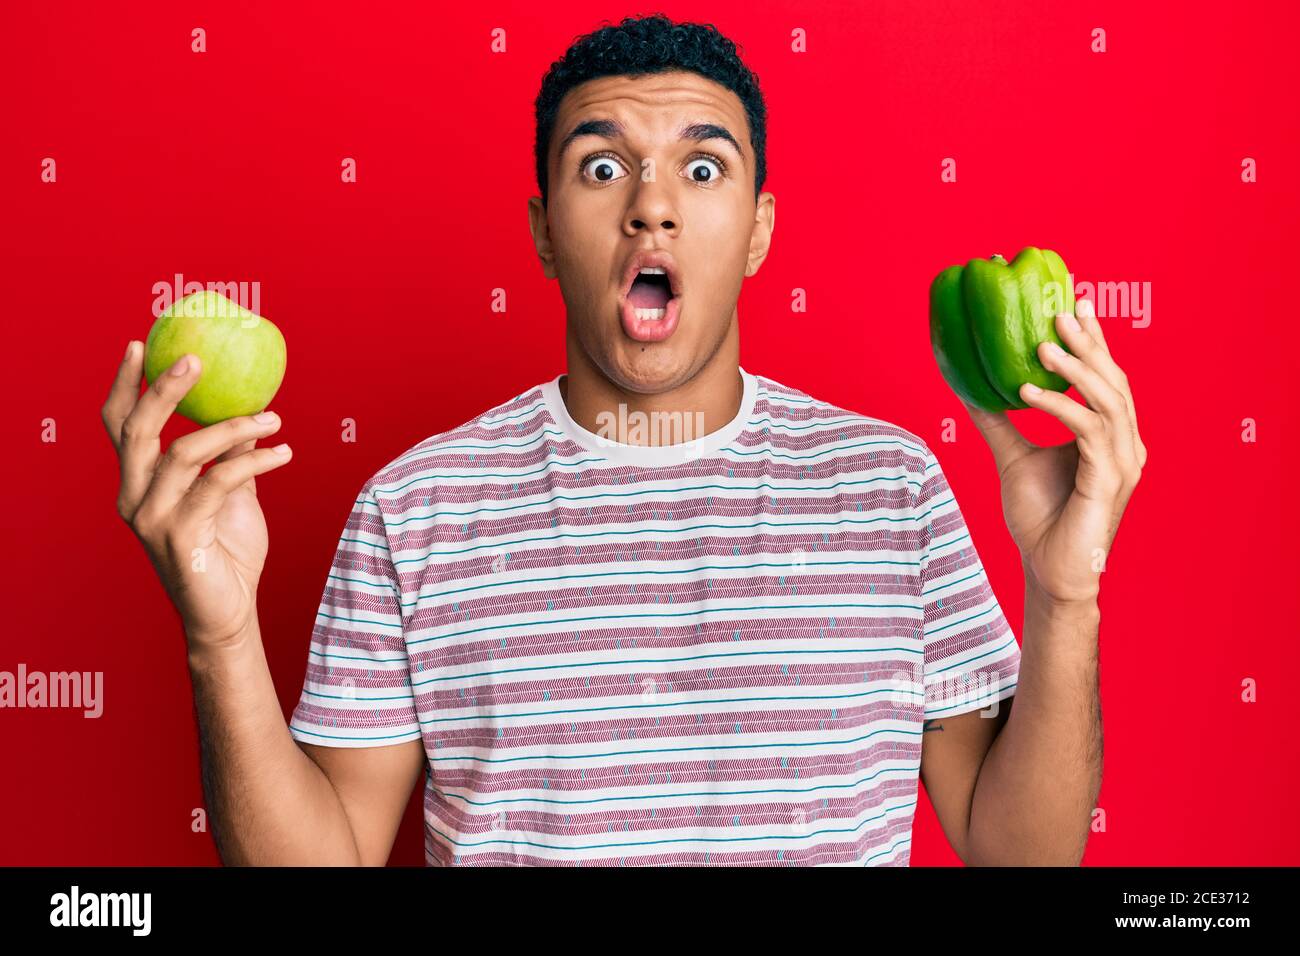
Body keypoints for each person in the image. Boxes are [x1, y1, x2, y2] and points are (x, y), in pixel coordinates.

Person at [100, 14, 1145, 866]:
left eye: (701, 170)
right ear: (545, 230)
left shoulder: (890, 487)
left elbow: (1025, 856)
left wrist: (1065, 593)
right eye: (603, 170)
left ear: (759, 229)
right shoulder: (414, 506)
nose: (651, 207)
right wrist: (221, 636)